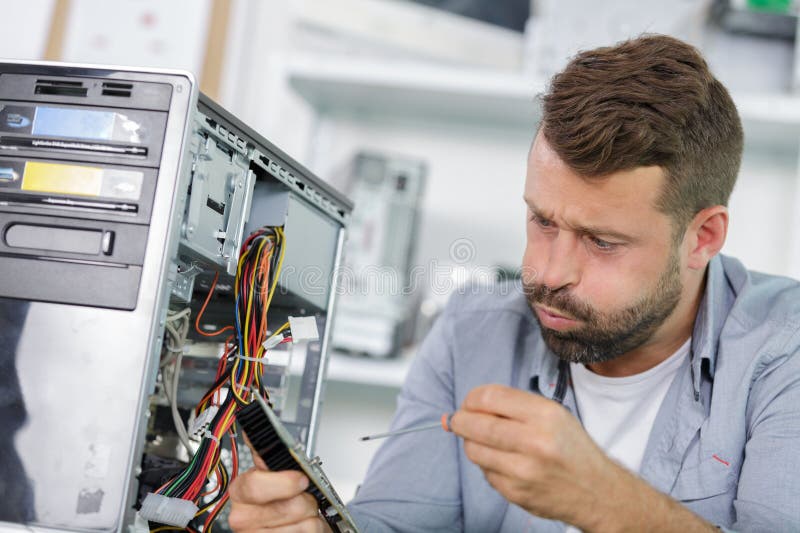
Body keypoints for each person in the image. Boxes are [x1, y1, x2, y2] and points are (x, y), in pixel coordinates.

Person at [228, 34, 800, 532]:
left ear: (703, 237)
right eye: (542, 221)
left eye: (602, 242)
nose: (549, 274)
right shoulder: (472, 330)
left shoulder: (783, 349)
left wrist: (608, 502)